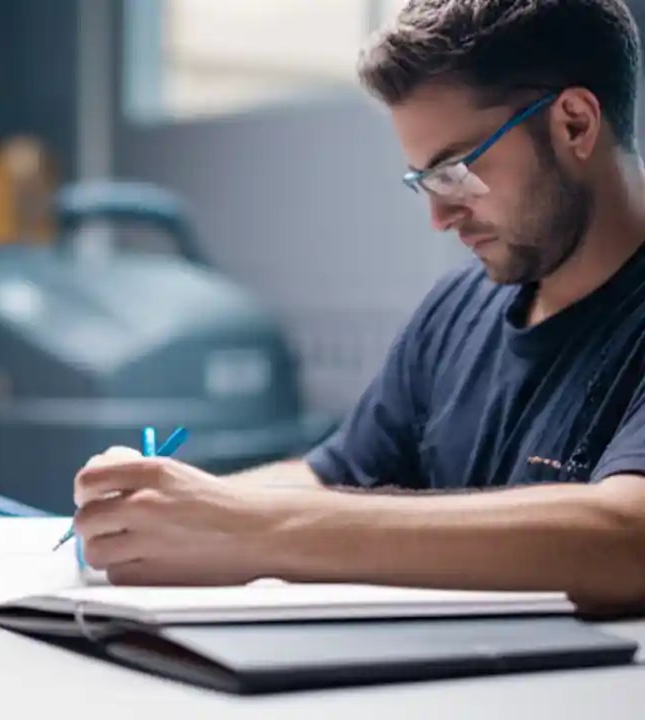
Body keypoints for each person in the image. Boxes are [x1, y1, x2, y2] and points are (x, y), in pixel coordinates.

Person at [71, 0, 645, 612]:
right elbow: (331, 478)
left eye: (454, 171)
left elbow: (626, 539)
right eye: (423, 181)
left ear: (576, 124)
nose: (439, 216)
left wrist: (249, 529)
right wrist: (159, 512)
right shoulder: (458, 311)